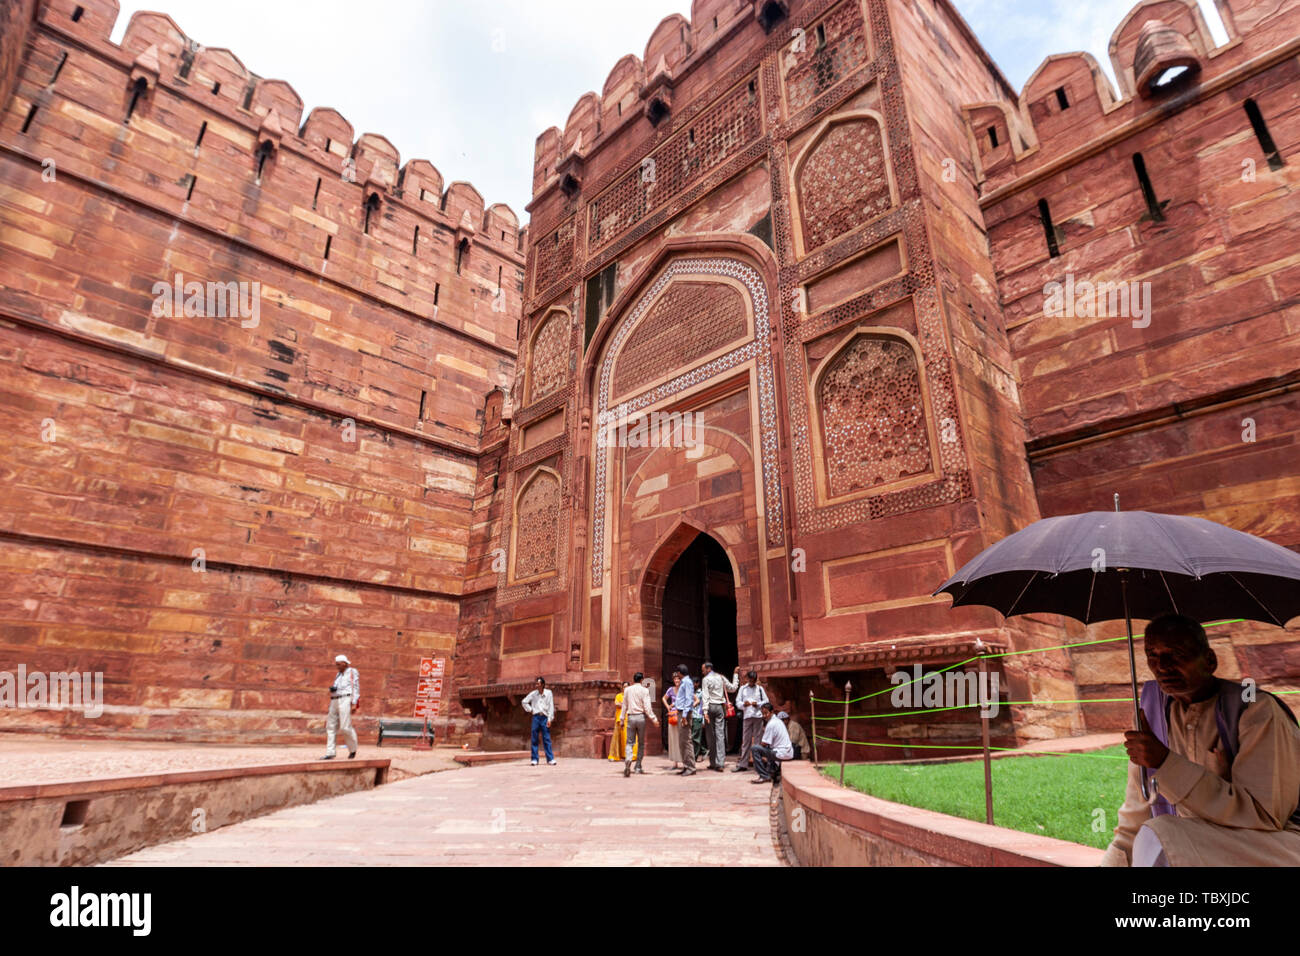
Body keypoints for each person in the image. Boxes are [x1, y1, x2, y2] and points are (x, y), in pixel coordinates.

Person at [1101, 614, 1300, 866]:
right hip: (1193, 841)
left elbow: (1264, 815)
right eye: (1153, 655)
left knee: (1162, 835)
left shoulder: (1255, 711)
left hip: (1275, 844)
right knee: (1154, 834)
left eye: (1176, 654)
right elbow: (1135, 818)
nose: (1162, 666)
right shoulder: (1151, 715)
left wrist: (1165, 763)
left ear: (1209, 660)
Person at [700, 661, 738, 771]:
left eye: (703, 669)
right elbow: (733, 688)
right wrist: (735, 675)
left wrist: (705, 711)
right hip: (720, 708)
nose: (702, 671)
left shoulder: (706, 679)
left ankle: (713, 762)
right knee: (720, 735)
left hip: (710, 706)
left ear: (708, 669)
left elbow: (705, 696)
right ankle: (720, 763)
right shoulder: (721, 677)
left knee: (710, 735)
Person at [321, 654, 359, 760]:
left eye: (338, 664)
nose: (337, 666)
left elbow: (355, 687)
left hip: (345, 699)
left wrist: (354, 702)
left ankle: (353, 749)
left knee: (345, 727)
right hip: (335, 699)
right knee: (330, 726)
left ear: (344, 663)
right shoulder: (338, 674)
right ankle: (330, 752)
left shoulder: (352, 672)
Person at [731, 669, 769, 771]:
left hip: (757, 716)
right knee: (746, 741)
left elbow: (766, 701)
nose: (752, 682)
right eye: (750, 680)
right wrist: (744, 704)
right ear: (747, 679)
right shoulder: (743, 689)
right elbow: (737, 702)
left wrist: (758, 704)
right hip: (747, 716)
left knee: (758, 741)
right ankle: (743, 764)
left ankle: (758, 764)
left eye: (753, 680)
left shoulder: (760, 689)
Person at [621, 672, 658, 777]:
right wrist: (654, 719)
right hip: (641, 717)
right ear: (642, 680)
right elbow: (647, 707)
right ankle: (638, 767)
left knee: (629, 742)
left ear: (633, 680)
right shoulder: (645, 690)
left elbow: (624, 705)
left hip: (631, 717)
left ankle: (628, 759)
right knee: (641, 743)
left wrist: (622, 719)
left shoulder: (627, 690)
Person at [751, 702, 793, 784]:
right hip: (787, 752)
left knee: (755, 749)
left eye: (766, 713)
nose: (764, 716)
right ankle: (772, 771)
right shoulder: (778, 721)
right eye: (763, 713)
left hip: (781, 753)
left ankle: (764, 776)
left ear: (772, 712)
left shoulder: (771, 724)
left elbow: (764, 743)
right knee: (769, 749)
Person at [522, 676, 557, 766]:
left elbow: (551, 706)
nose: (536, 685)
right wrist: (531, 710)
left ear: (542, 684)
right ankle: (534, 759)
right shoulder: (533, 694)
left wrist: (550, 719)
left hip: (544, 717)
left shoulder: (549, 693)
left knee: (546, 738)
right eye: (536, 684)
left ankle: (550, 759)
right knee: (534, 738)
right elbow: (524, 701)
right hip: (536, 717)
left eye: (538, 683)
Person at [673, 664, 697, 776]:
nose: (677, 674)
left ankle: (691, 767)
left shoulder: (687, 682)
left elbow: (689, 699)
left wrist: (684, 715)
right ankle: (686, 765)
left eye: (677, 672)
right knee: (682, 741)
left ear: (680, 672)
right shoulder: (684, 682)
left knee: (686, 741)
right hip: (681, 712)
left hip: (684, 713)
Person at [607, 682, 637, 763]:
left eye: (627, 687)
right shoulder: (619, 696)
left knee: (628, 737)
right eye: (624, 687)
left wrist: (623, 704)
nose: (625, 688)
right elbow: (617, 704)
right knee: (618, 737)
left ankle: (630, 755)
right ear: (622, 688)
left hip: (629, 718)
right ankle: (615, 755)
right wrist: (625, 704)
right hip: (620, 719)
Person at [663, 672, 684, 769]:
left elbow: (694, 699)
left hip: (681, 716)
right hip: (672, 717)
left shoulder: (684, 689)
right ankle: (675, 763)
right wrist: (668, 706)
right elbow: (664, 698)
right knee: (673, 740)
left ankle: (684, 761)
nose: (677, 681)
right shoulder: (671, 690)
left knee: (682, 739)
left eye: (678, 679)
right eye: (675, 679)